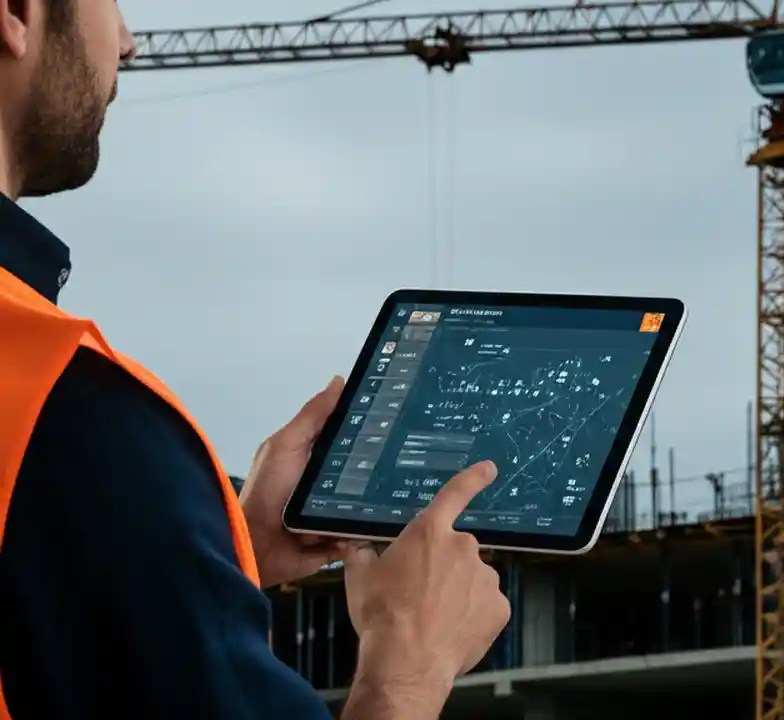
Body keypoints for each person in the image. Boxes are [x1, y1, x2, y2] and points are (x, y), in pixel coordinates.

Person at [0, 1, 510, 718]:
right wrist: (408, 667)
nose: (127, 41)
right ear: (16, 14)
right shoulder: (74, 413)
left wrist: (211, 548)